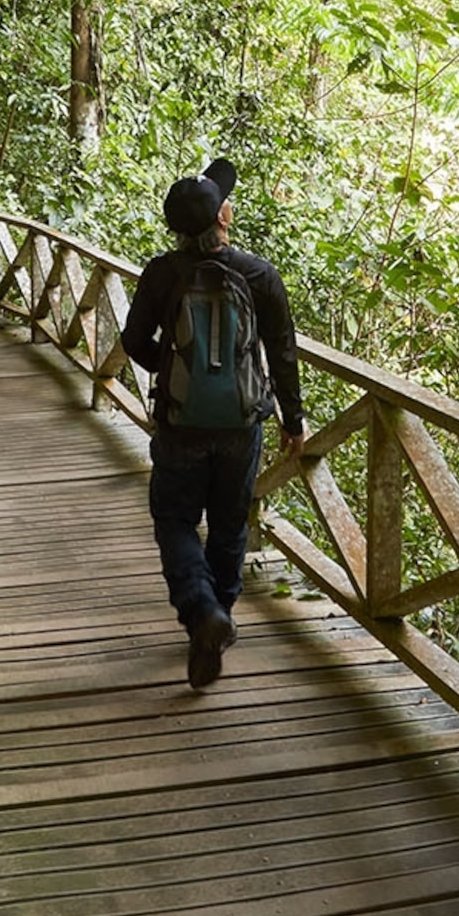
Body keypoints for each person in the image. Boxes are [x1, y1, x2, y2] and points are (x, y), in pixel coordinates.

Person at [120, 156, 304, 687]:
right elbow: (283, 351)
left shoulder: (162, 273)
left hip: (181, 424)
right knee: (228, 526)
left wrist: (176, 366)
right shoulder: (259, 274)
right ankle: (220, 614)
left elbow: (134, 342)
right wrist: (293, 418)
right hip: (241, 424)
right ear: (223, 218)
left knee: (175, 520)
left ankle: (201, 613)